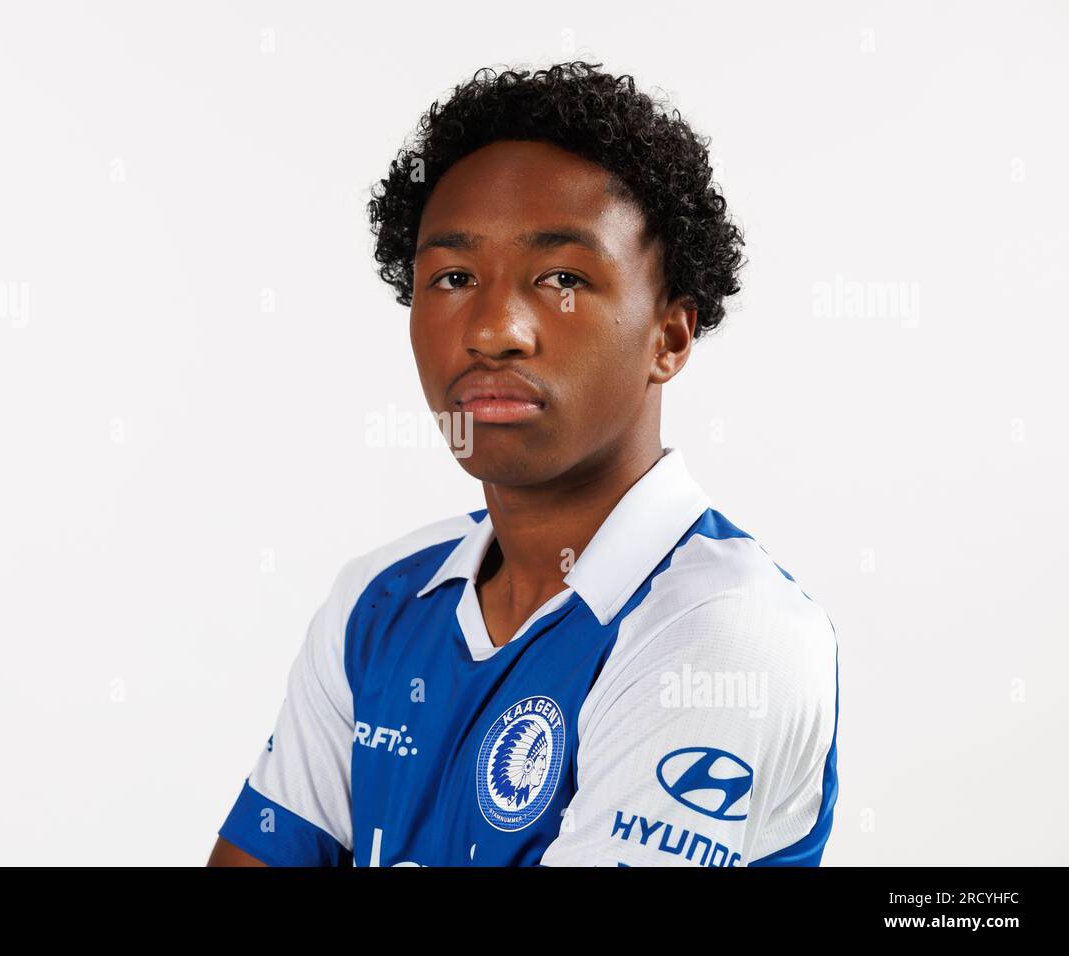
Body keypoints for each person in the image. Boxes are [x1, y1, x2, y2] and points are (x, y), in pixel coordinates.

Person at [208, 61, 838, 867]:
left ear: (670, 338)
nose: (494, 329)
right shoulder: (381, 599)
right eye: (455, 277)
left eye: (562, 278)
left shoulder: (723, 630)